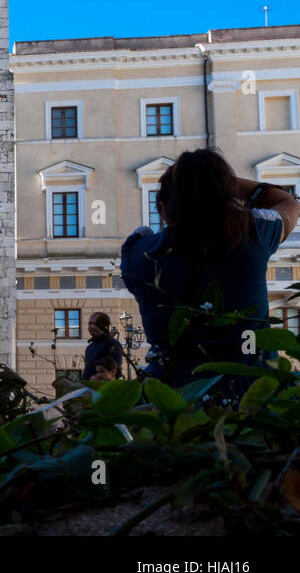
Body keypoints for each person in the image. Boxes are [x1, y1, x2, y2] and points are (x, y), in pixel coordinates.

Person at [121, 148, 299, 391]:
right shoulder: (253, 232)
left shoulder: (137, 252)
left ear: (162, 210)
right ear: (226, 198)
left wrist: (193, 183)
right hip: (250, 397)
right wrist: (216, 182)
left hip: (173, 399)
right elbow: (287, 202)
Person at [81, 312, 124, 381]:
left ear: (104, 326)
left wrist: (97, 378)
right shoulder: (89, 347)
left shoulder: (112, 344)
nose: (91, 326)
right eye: (90, 323)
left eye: (96, 324)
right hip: (90, 388)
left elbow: (115, 371)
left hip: (104, 389)